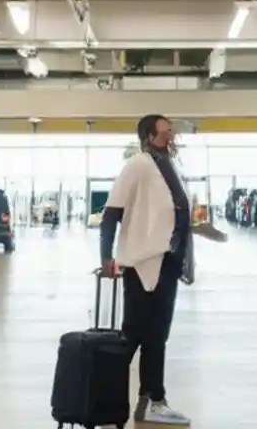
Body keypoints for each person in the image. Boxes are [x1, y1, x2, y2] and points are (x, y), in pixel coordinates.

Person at [100, 114, 193, 426]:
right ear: (151, 135)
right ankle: (106, 399)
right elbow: (111, 212)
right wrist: (106, 258)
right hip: (144, 262)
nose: (172, 133)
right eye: (167, 129)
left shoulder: (169, 166)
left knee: (156, 335)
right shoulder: (139, 164)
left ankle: (152, 399)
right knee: (135, 335)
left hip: (166, 258)